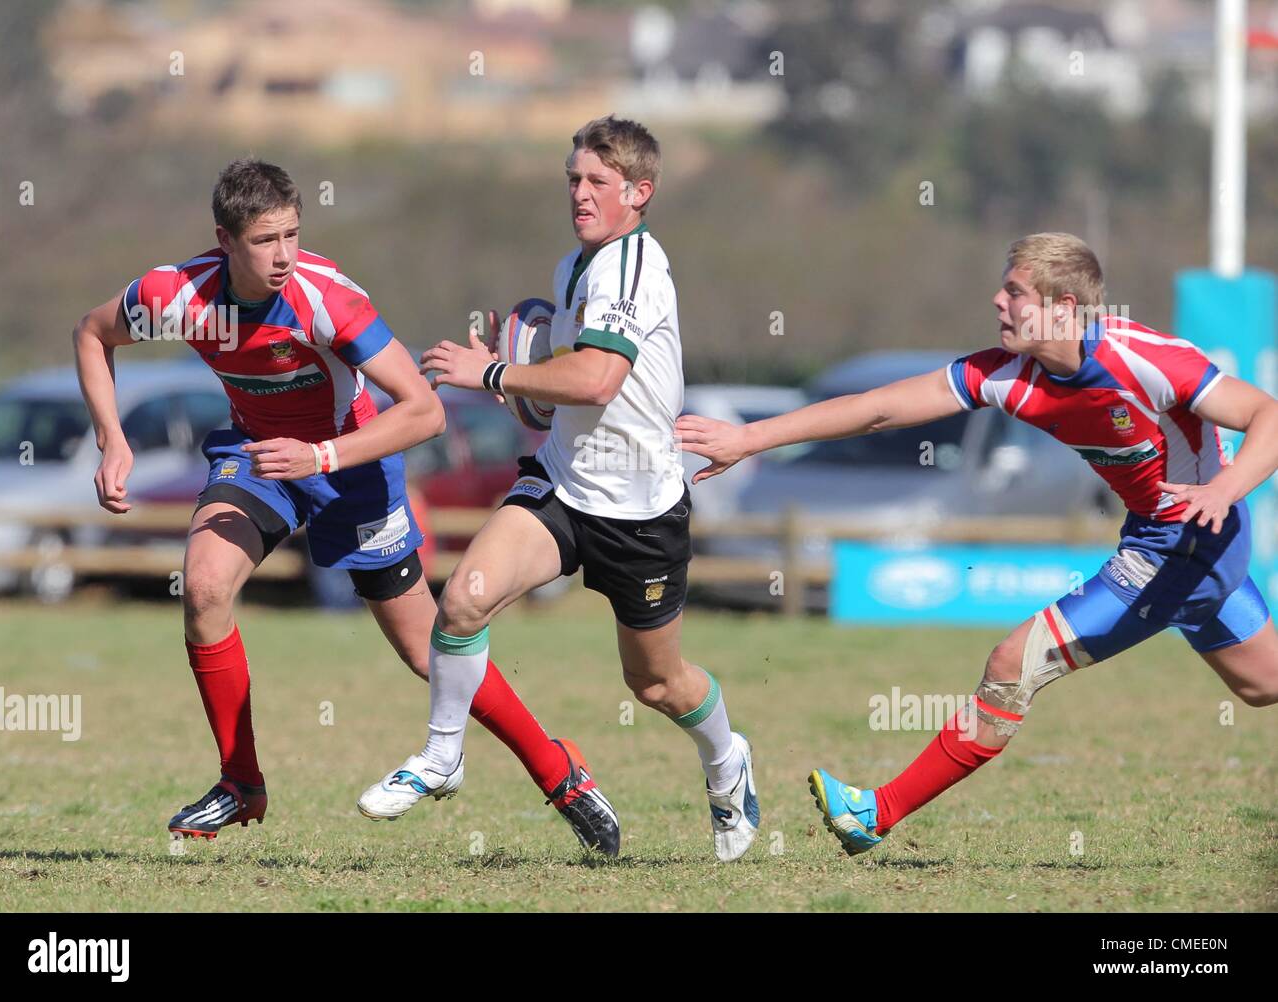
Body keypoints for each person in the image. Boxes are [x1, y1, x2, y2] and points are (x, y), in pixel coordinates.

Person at [72, 158, 619, 853]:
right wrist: (112, 440)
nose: (283, 255)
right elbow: (91, 333)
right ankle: (241, 782)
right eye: (266, 240)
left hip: (350, 459)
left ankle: (559, 771)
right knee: (205, 586)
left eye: (293, 235)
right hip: (260, 455)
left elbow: (424, 414)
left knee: (429, 651)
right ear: (224, 240)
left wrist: (322, 457)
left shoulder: (325, 299)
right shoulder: (177, 293)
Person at [675, 231, 1278, 855]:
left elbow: (1270, 415)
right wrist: (751, 439)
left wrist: (1225, 489)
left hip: (1186, 545)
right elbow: (880, 407)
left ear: (1064, 307)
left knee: (1011, 665)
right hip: (1168, 540)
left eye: (1014, 291)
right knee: (1262, 684)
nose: (997, 301)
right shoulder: (1006, 374)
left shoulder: (1145, 359)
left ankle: (872, 814)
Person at [358, 116, 760, 862]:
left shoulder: (632, 265)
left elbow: (598, 377)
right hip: (566, 486)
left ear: (639, 193)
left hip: (641, 511)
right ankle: (442, 757)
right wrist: (514, 379)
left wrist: (492, 374)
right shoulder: (573, 266)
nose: (578, 193)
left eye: (597, 182)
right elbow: (558, 398)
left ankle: (725, 761)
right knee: (464, 597)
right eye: (572, 179)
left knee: (658, 683)